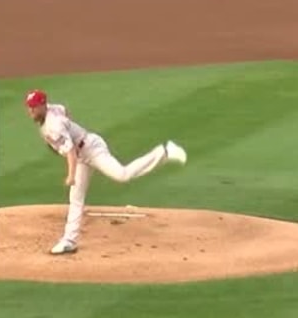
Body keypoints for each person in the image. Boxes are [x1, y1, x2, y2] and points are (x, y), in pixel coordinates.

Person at [24, 89, 187, 256]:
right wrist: (70, 129)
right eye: (29, 107)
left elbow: (71, 152)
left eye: (34, 107)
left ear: (43, 105)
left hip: (92, 150)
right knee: (76, 197)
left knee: (122, 175)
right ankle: (69, 241)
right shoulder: (52, 109)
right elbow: (65, 110)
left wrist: (71, 175)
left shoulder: (54, 125)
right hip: (82, 153)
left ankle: (165, 152)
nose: (30, 111)